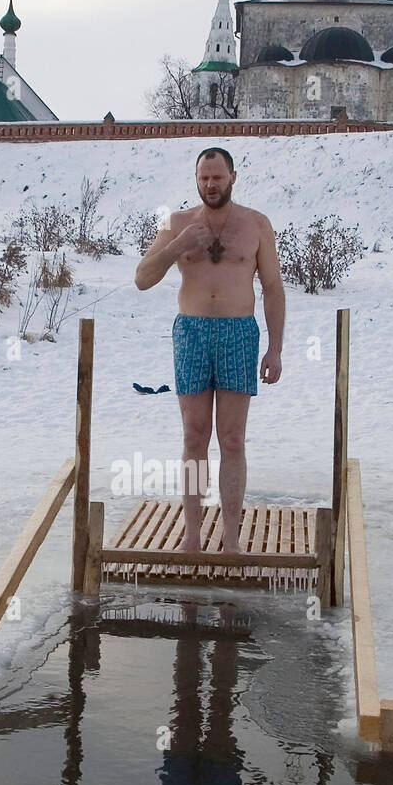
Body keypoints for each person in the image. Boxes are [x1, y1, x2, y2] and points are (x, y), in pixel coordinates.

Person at [133, 147, 285, 552]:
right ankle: (193, 535)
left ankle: (232, 539)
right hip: (191, 332)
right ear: (196, 179)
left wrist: (275, 348)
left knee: (232, 439)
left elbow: (272, 287)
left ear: (233, 176)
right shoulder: (177, 223)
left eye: (217, 177)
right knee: (194, 435)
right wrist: (174, 246)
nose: (210, 185)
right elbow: (142, 279)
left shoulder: (256, 225)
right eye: (204, 178)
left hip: (239, 332)